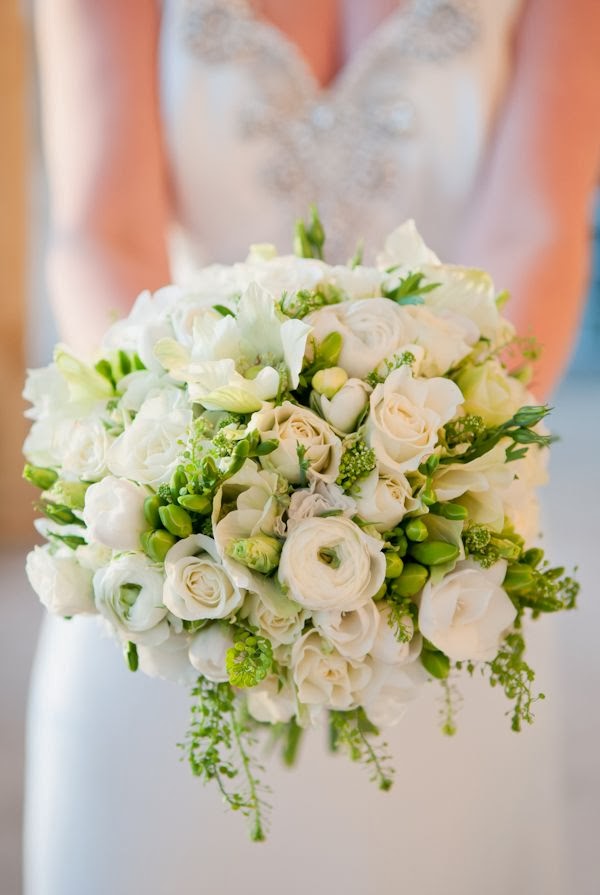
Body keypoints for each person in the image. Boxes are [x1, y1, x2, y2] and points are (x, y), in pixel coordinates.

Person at [25, 2, 600, 894]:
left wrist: (421, 487)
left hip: (441, 562)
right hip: (177, 548)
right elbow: (106, 230)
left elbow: (534, 231)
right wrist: (194, 451)